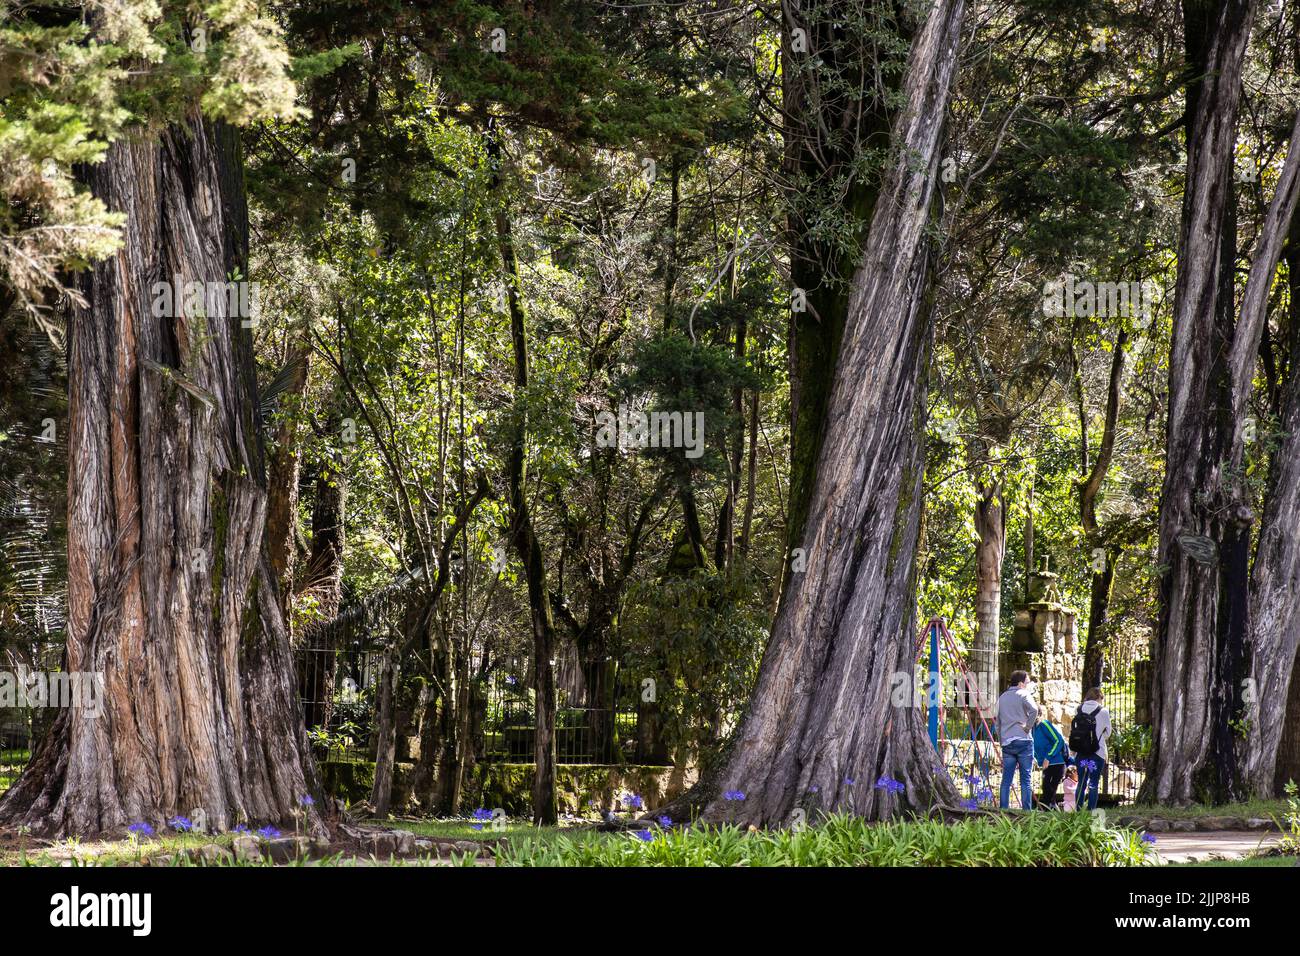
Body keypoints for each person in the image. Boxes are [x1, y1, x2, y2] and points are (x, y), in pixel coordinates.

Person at [996, 670, 1040, 810]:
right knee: (1025, 780)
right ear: (1021, 683)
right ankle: (1026, 812)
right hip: (1023, 741)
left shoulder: (1002, 697)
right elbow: (1034, 710)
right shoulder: (1024, 694)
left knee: (1006, 780)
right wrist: (1027, 727)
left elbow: (997, 722)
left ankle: (1003, 810)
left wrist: (1001, 738)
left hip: (1007, 742)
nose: (1028, 685)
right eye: (1027, 682)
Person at [1069, 687, 1112, 812]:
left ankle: (1078, 810)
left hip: (1081, 753)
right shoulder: (1103, 711)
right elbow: (1108, 733)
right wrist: (1097, 737)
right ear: (1099, 697)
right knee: (1093, 783)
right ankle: (1091, 810)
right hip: (1096, 752)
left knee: (1081, 781)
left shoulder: (1078, 709)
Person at [1032, 717, 1069, 808]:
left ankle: (1051, 809)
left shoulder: (1043, 724)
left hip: (1056, 762)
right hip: (1046, 764)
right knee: (1047, 791)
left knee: (1048, 791)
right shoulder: (1032, 728)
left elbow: (1058, 740)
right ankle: (1050, 810)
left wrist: (1048, 757)